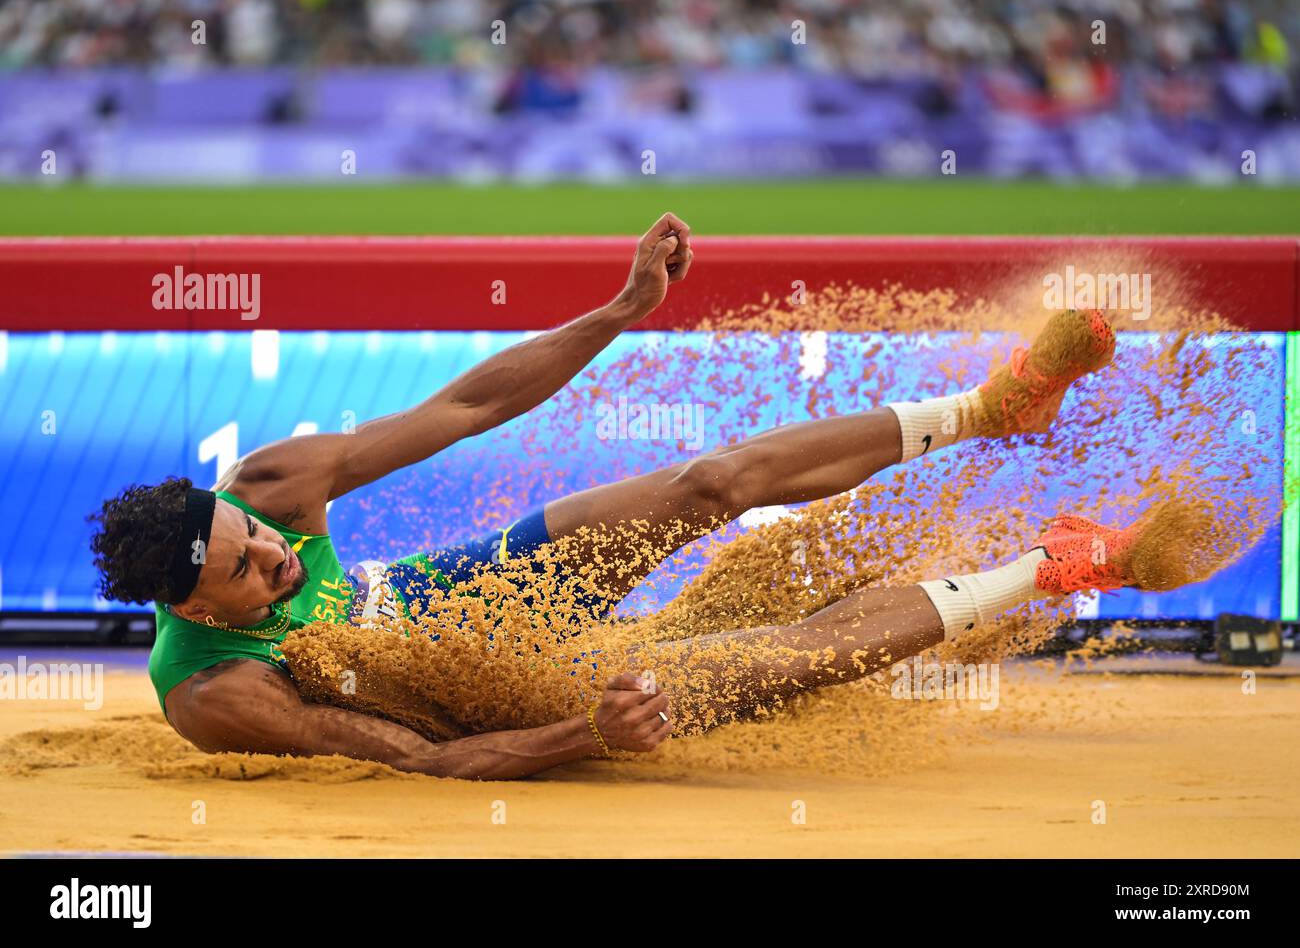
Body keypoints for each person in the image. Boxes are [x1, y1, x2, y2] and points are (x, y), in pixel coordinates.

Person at [89, 213, 1139, 780]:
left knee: (708, 482)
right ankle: (1050, 565)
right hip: (501, 688)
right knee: (777, 656)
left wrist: (620, 308)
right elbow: (426, 757)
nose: (275, 552)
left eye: (255, 536)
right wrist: (585, 731)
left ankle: (990, 407)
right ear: (195, 609)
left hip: (475, 585)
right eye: (251, 569)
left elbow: (466, 404)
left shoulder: (270, 486)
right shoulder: (216, 696)